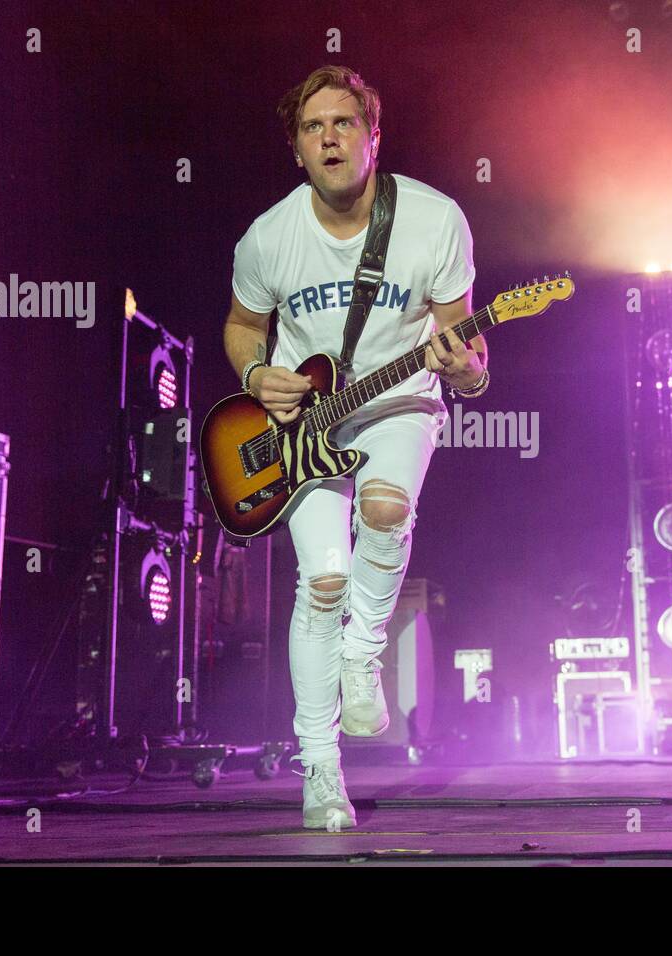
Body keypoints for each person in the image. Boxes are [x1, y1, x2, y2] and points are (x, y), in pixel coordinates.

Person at [223, 65, 489, 829]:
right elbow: (242, 325)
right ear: (295, 149)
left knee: (384, 504)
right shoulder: (269, 237)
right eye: (313, 128)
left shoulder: (435, 220)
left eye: (344, 123)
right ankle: (319, 772)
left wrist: (466, 368)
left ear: (375, 138)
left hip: (399, 403)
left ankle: (364, 654)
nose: (329, 138)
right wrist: (255, 371)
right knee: (324, 581)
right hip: (307, 422)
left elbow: (461, 343)